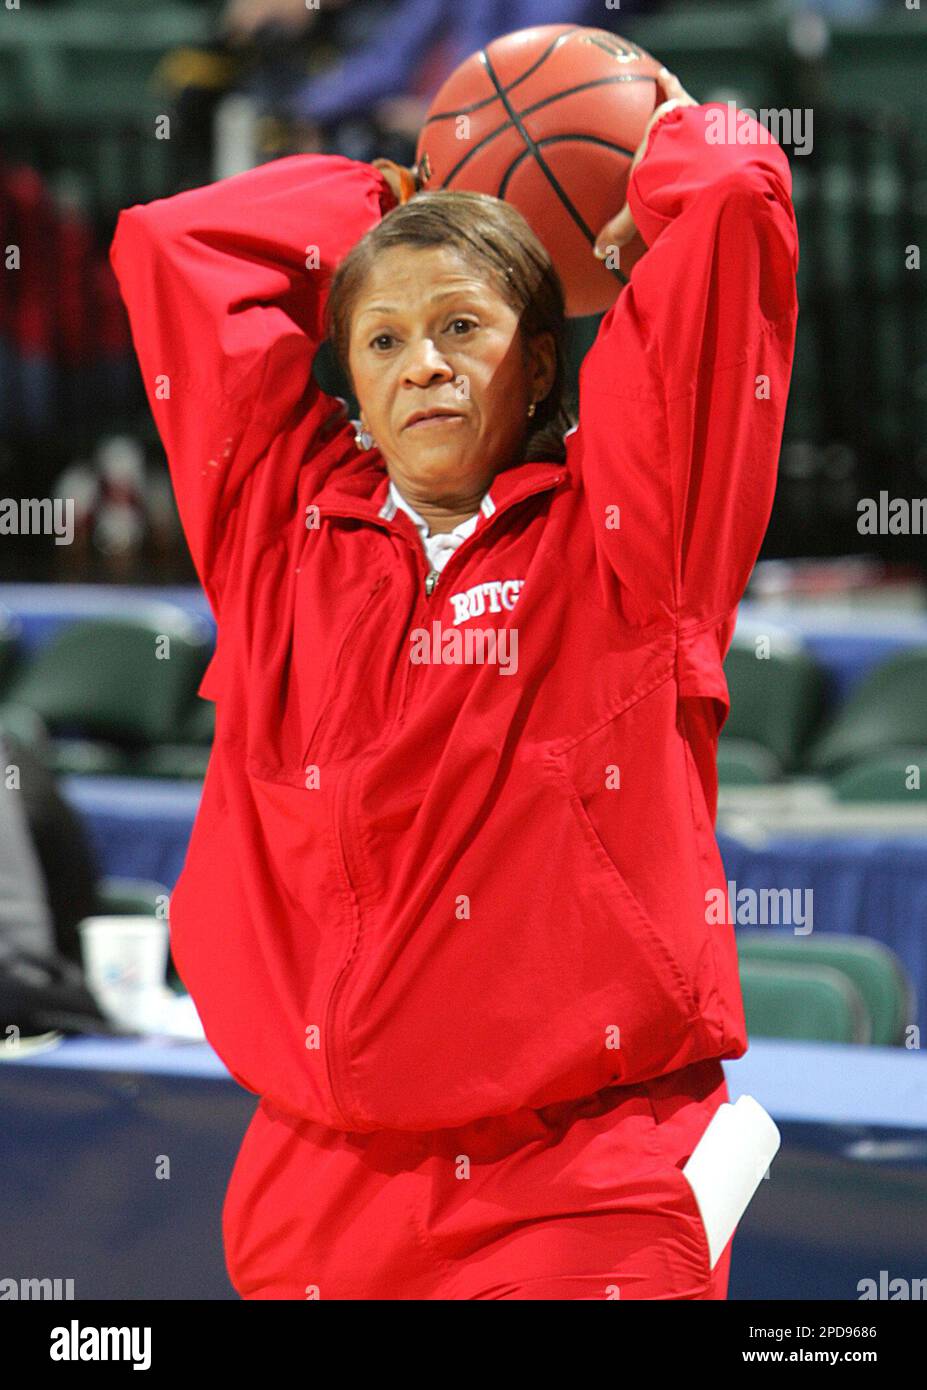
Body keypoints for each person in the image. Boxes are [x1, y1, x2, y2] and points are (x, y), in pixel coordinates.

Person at [109, 70, 798, 1299]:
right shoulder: (279, 535)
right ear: (354, 388)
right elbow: (176, 247)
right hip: (314, 1183)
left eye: (463, 329)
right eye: (384, 339)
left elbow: (742, 202)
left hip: (578, 1180)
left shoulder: (629, 543)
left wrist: (668, 141)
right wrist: (389, 195)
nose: (424, 364)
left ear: (539, 368)